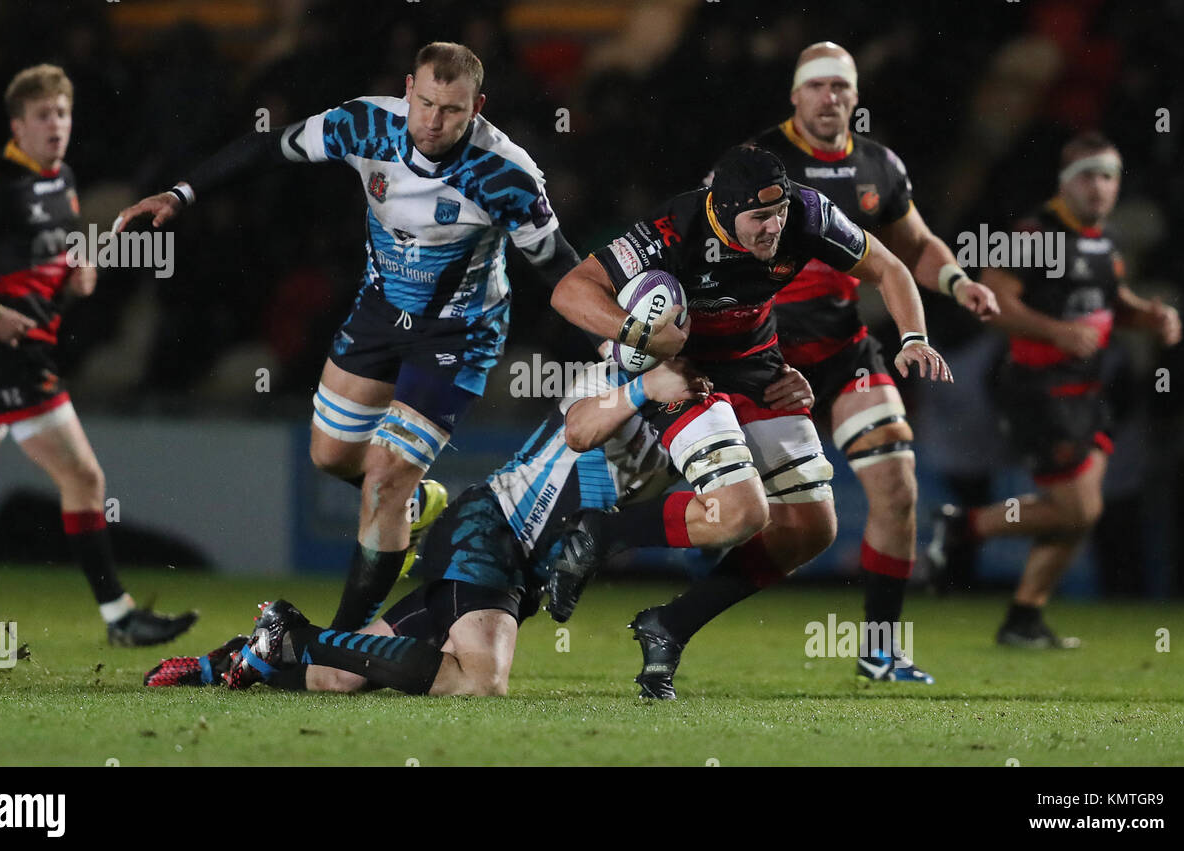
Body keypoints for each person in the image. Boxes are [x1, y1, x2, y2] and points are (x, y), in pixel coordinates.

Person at [116, 42, 580, 634]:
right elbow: (268, 145)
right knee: (331, 456)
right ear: (408, 89)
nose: (434, 123)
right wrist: (180, 193)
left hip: (458, 332)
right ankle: (415, 504)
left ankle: (337, 642)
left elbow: (559, 267)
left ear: (478, 107)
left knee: (384, 473)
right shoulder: (365, 123)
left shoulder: (507, 173)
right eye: (427, 104)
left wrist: (614, 335)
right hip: (379, 314)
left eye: (454, 111)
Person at [545, 144, 954, 698]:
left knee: (811, 529)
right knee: (741, 513)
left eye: (779, 212)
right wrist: (640, 338)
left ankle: (669, 625)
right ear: (722, 209)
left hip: (756, 367)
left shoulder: (806, 215)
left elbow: (888, 266)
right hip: (683, 374)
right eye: (759, 217)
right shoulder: (675, 229)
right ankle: (605, 531)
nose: (774, 226)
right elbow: (570, 290)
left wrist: (912, 338)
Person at [148, 354, 781, 695]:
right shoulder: (620, 374)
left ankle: (226, 664)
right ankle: (295, 633)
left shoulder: (699, 410)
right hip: (493, 532)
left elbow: (720, 499)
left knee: (341, 678)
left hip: (503, 553)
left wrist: (775, 386)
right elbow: (580, 428)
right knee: (480, 681)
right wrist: (645, 385)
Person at [0, 64, 196, 646]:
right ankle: (120, 618)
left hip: (8, 356)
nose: (56, 125)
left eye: (62, 114)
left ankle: (120, 618)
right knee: (84, 477)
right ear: (17, 125)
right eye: (43, 116)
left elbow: (50, 252)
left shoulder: (62, 178)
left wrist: (77, 269)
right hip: (7, 356)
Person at [747, 42, 1000, 681]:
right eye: (818, 86)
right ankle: (610, 552)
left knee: (897, 480)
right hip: (761, 355)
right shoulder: (759, 161)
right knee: (735, 507)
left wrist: (958, 281)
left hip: (841, 347)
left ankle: (880, 648)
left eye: (841, 87)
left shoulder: (877, 166)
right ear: (795, 96)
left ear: (854, 97)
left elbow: (914, 244)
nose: (830, 97)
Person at [925, 132, 1181, 647]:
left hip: (1089, 393)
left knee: (1076, 510)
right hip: (1039, 389)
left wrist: (1148, 316)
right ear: (1065, 182)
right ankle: (965, 527)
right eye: (1087, 175)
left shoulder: (1103, 239)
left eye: (1108, 176)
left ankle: (1024, 617)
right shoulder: (1036, 233)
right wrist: (1056, 332)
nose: (1099, 187)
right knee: (1079, 508)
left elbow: (1110, 302)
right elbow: (994, 299)